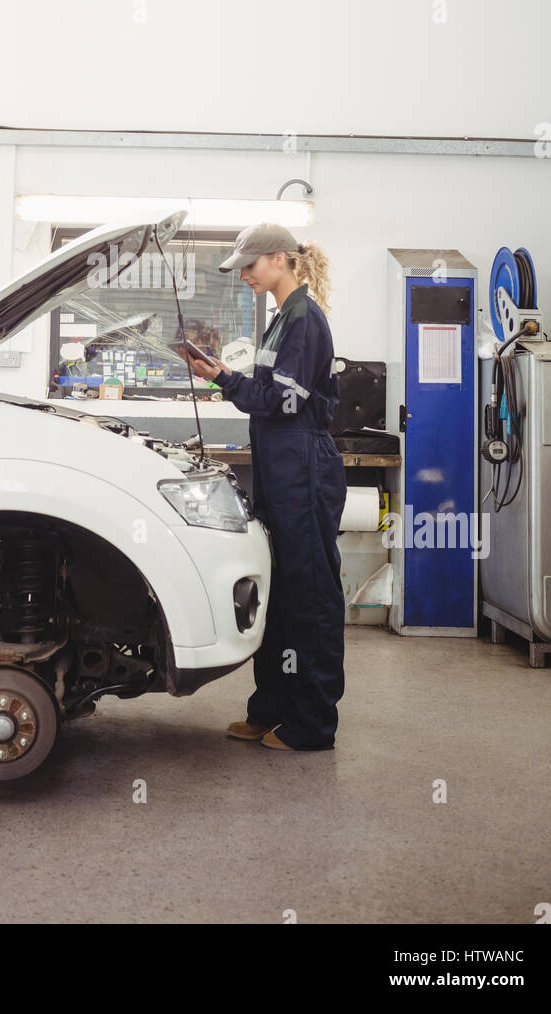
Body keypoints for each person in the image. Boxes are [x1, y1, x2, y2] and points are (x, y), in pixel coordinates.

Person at [185, 223, 348, 753]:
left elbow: (282, 403)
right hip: (281, 468)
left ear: (279, 260)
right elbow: (270, 392)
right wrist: (220, 376)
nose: (245, 277)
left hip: (302, 467)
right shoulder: (282, 321)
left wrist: (224, 381)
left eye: (251, 267)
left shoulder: (304, 319)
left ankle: (313, 725)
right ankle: (271, 709)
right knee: (280, 594)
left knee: (310, 596)